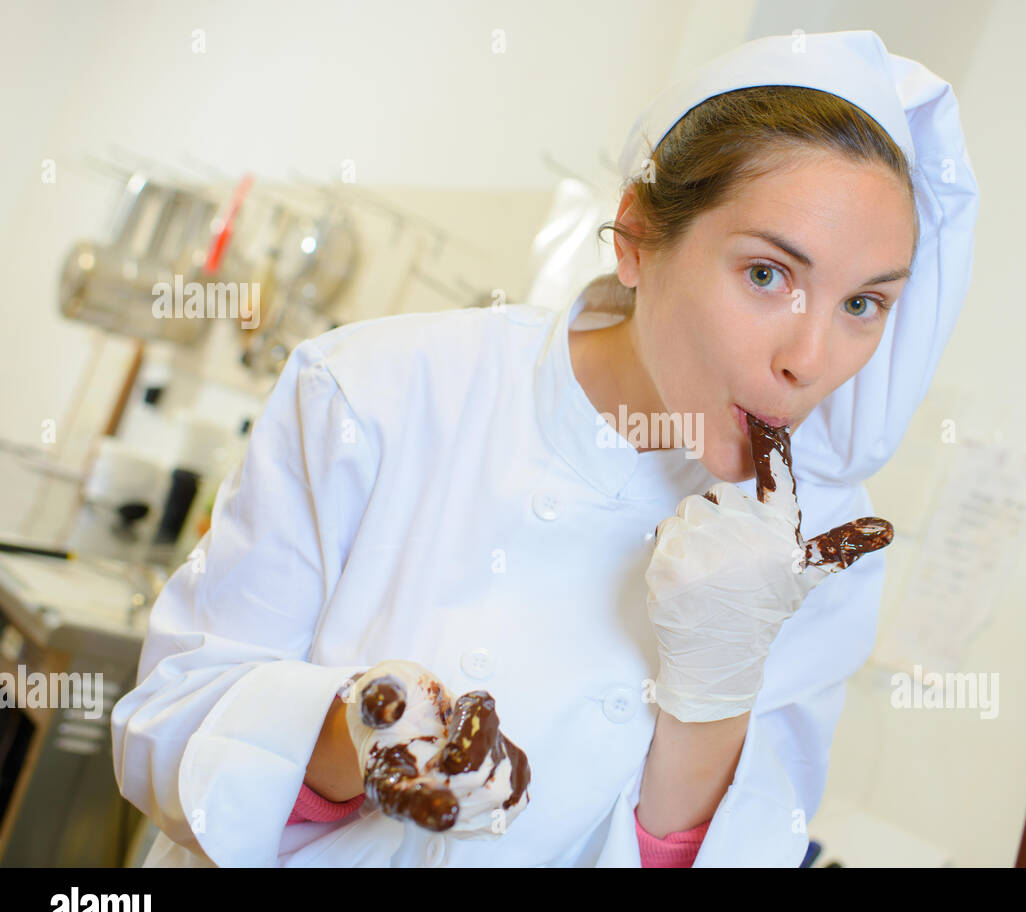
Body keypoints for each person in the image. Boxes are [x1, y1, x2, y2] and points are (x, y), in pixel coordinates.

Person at [110, 28, 978, 867]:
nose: (809, 360)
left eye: (863, 303)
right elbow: (164, 730)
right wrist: (355, 733)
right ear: (636, 235)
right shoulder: (380, 391)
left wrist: (713, 689)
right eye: (767, 275)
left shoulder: (817, 544)